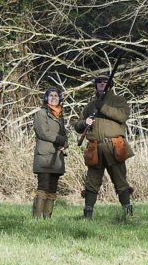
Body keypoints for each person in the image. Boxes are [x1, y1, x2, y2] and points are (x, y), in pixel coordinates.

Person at [76, 74, 134, 218]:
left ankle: (127, 212)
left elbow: (122, 116)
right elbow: (77, 125)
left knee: (120, 180)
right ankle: (88, 213)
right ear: (95, 86)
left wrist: (102, 106)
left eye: (104, 82)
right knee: (92, 182)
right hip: (94, 148)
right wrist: (84, 123)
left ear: (110, 85)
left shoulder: (118, 101)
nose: (102, 83)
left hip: (114, 146)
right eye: (99, 82)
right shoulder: (90, 105)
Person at [32, 87, 68, 218]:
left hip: (57, 157)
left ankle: (47, 218)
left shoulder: (60, 116)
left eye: (56, 96)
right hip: (44, 157)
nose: (54, 98)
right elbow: (43, 132)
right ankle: (36, 218)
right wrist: (61, 140)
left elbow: (63, 133)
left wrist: (66, 143)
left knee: (53, 188)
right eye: (51, 96)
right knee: (43, 186)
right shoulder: (41, 113)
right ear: (46, 98)